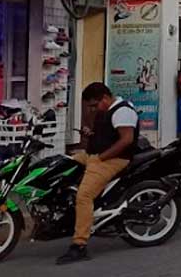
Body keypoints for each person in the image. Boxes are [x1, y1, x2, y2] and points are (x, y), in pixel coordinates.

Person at [57, 83, 139, 264]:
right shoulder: (108, 110)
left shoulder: (122, 111)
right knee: (62, 164)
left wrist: (102, 157)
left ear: (105, 98)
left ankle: (79, 244)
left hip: (111, 160)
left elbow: (126, 139)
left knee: (84, 196)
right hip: (93, 156)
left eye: (95, 105)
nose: (93, 109)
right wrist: (91, 135)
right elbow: (108, 134)